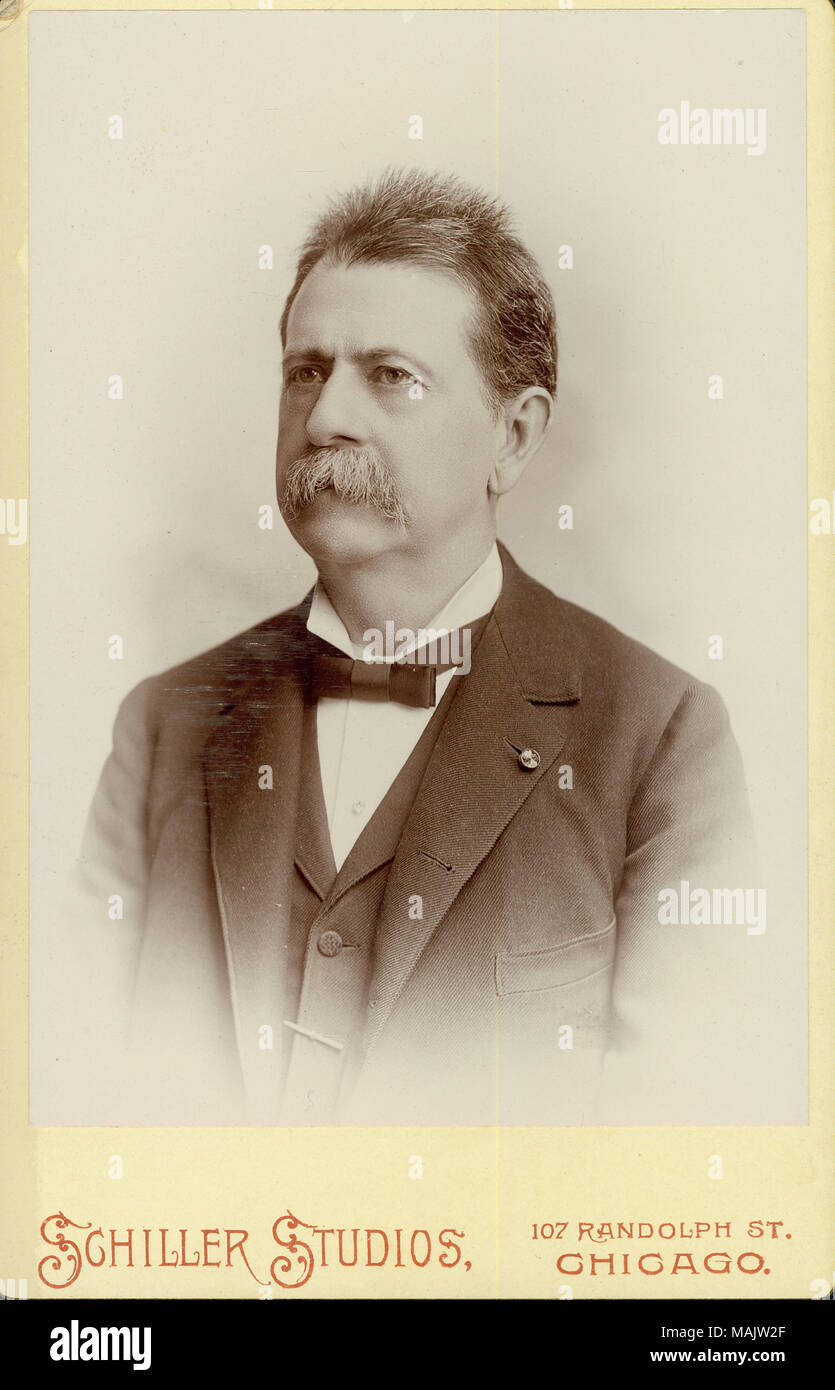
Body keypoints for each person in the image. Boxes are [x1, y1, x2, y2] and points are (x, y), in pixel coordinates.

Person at [75, 168, 761, 1127]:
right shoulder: (161, 726)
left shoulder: (661, 739)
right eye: (305, 372)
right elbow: (71, 1106)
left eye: (390, 377)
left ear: (512, 439)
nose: (323, 420)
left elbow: (673, 1153)